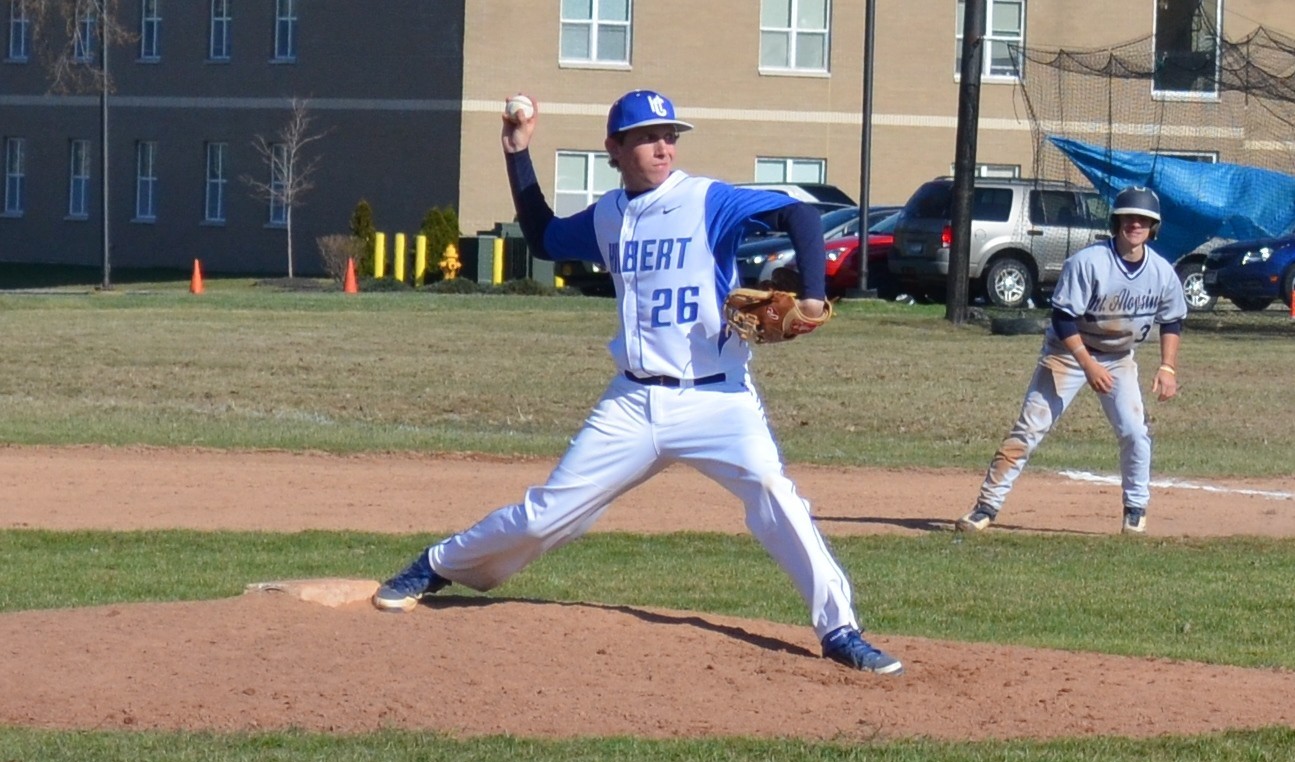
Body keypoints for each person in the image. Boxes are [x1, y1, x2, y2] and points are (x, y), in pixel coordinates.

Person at [371, 88, 903, 675]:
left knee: (776, 498)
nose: (663, 147)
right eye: (649, 137)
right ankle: (437, 564)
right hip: (632, 401)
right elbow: (545, 237)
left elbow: (799, 214)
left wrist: (812, 293)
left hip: (718, 399)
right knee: (549, 514)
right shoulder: (607, 214)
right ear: (615, 149)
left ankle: (840, 630)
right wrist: (516, 153)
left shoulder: (706, 200)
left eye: (670, 135)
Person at [956, 186, 1188, 535]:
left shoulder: (1160, 271)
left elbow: (1172, 319)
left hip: (1118, 357)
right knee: (1030, 430)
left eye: (1143, 220)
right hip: (1067, 354)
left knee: (1135, 433)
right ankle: (986, 506)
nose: (1135, 224)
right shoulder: (1089, 262)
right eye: (1128, 218)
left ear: (1153, 228)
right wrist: (1087, 364)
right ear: (1117, 222)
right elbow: (1063, 319)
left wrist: (1167, 367)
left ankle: (1135, 509)